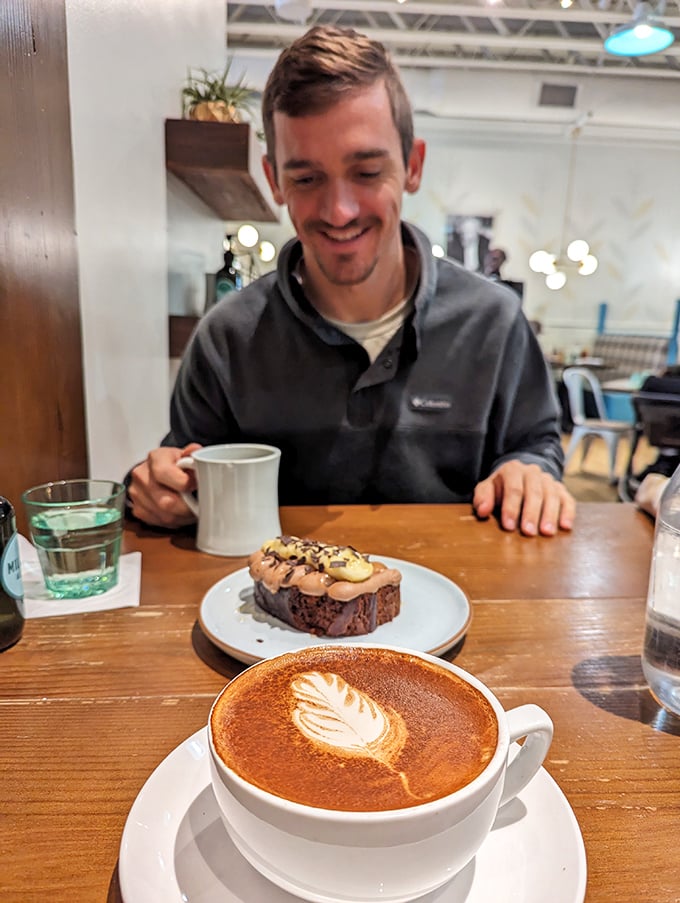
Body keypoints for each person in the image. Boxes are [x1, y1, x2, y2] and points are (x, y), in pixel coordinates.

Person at [128, 24, 575, 538]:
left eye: (365, 173)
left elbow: (535, 443)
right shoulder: (227, 338)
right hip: (277, 611)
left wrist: (529, 472)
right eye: (306, 178)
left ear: (412, 165)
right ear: (275, 181)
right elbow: (179, 476)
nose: (338, 212)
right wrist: (156, 489)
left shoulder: (494, 322)